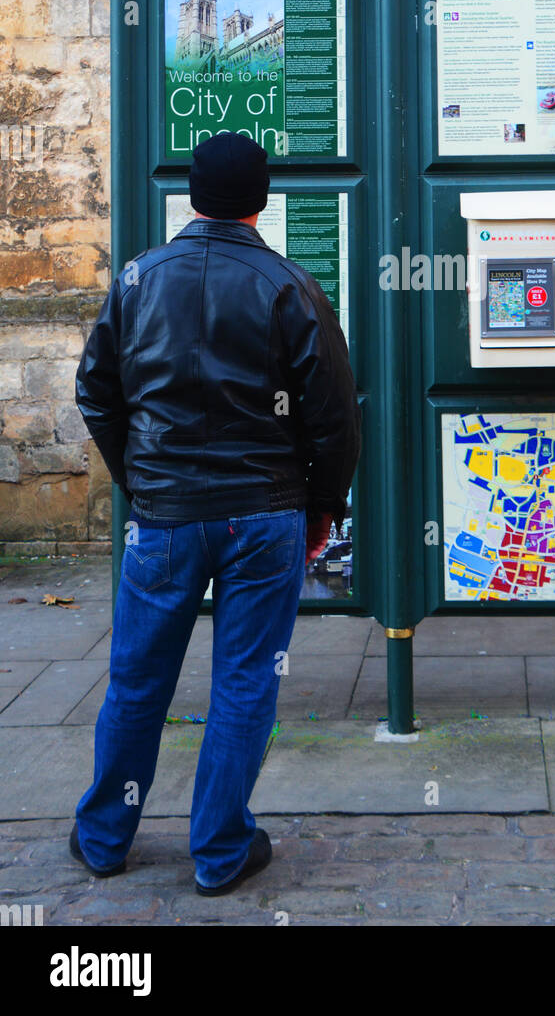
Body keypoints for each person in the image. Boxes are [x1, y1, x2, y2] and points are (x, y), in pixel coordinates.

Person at [71, 132, 361, 895]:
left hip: (165, 515)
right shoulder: (289, 285)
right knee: (244, 681)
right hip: (264, 513)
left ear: (193, 198)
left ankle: (104, 838)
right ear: (262, 201)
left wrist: (140, 477)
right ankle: (221, 850)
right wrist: (324, 504)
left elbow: (96, 392)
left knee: (137, 679)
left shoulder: (137, 279)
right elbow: (333, 415)